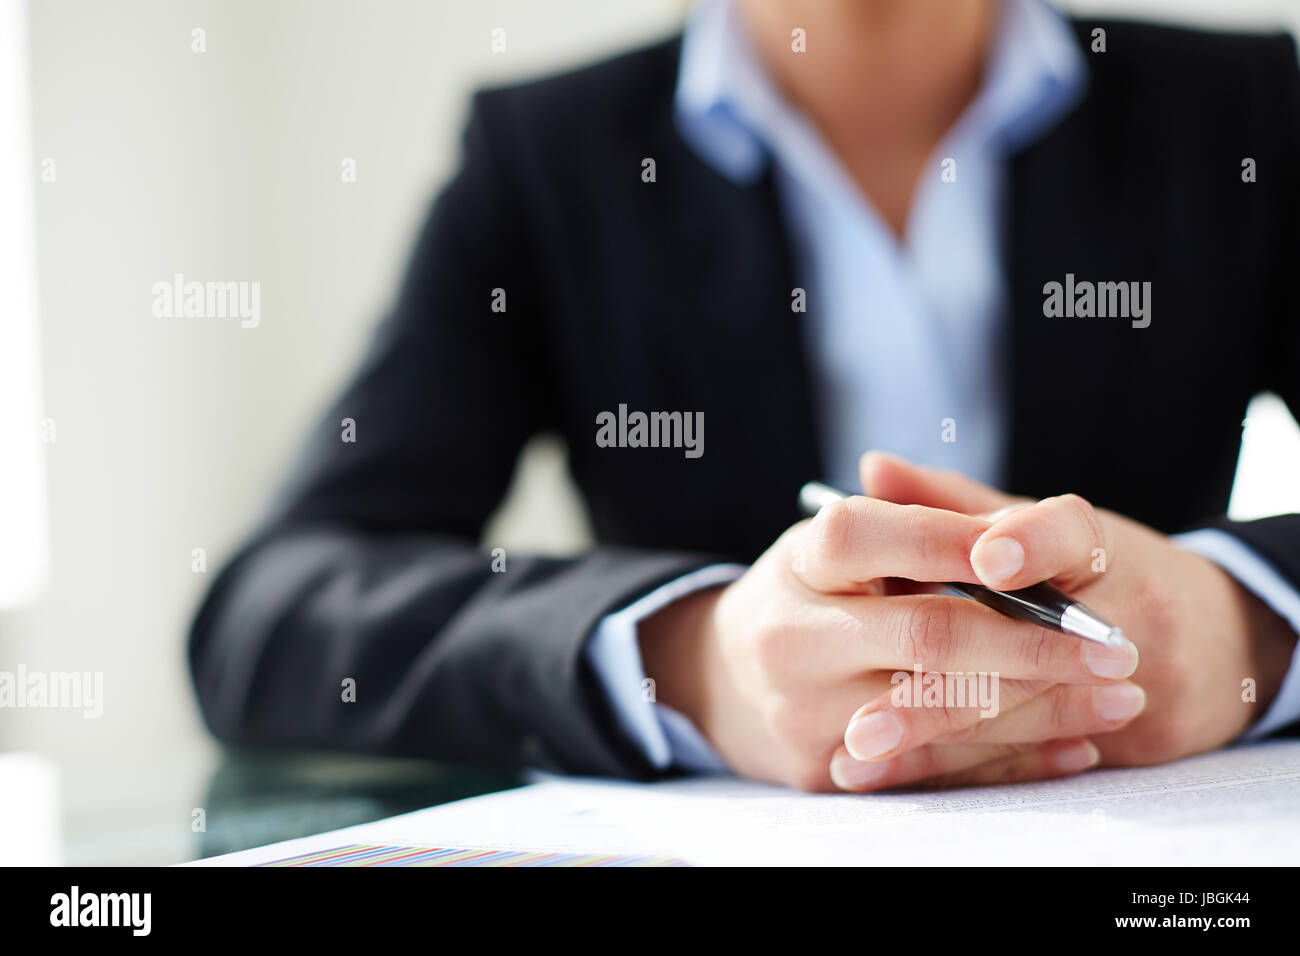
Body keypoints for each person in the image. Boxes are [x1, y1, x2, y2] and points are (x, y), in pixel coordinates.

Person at [189, 0, 1300, 792]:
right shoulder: (547, 158)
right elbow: (269, 610)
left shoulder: (1247, 111)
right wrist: (687, 658)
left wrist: (1245, 621)